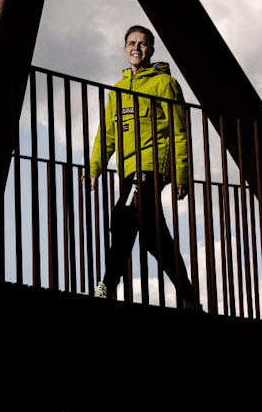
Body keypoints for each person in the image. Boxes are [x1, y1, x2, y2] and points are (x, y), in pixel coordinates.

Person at [84, 25, 202, 310]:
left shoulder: (164, 84)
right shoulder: (118, 90)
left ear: (151, 50)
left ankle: (107, 286)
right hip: (127, 170)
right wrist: (94, 168)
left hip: (150, 168)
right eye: (132, 43)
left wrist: (181, 173)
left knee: (122, 221)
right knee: (151, 235)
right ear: (124, 49)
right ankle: (188, 296)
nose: (137, 48)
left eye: (143, 44)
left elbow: (179, 130)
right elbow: (107, 135)